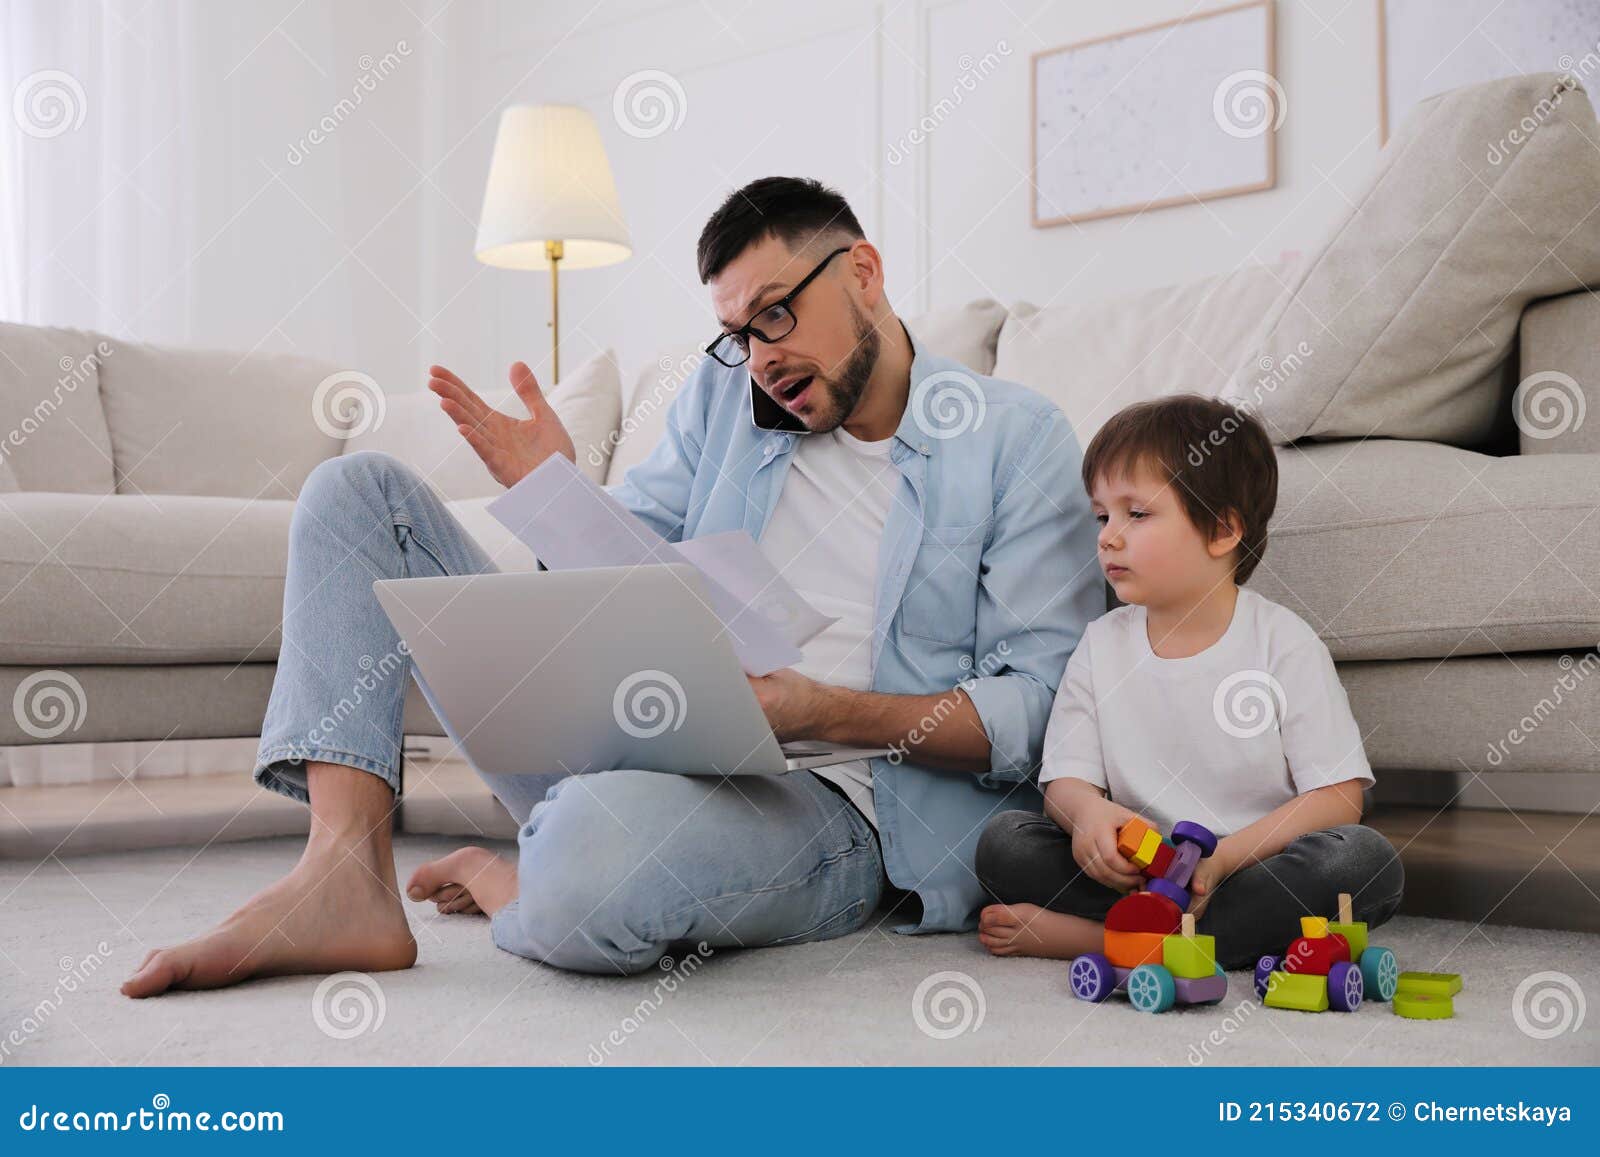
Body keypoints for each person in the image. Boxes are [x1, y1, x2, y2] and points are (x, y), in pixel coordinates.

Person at [121, 176, 1102, 995]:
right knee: (354, 493)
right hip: (654, 731)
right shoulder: (725, 395)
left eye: (776, 315)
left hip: (844, 805)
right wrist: (554, 492)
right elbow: (627, 570)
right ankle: (343, 873)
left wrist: (825, 709)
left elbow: (1037, 709)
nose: (763, 360)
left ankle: (526, 875)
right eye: (738, 333)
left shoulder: (1011, 437)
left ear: (864, 272)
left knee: (594, 867)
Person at [973, 394, 1404, 968]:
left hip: (1245, 870)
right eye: (1102, 515)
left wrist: (1222, 859)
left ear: (1222, 530)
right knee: (1005, 842)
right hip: (1137, 875)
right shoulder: (1101, 644)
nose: (1107, 536)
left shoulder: (1283, 641)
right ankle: (1183, 941)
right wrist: (1091, 820)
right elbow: (1065, 782)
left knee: (1361, 862)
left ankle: (1100, 942)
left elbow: (1340, 797)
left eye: (1137, 514)